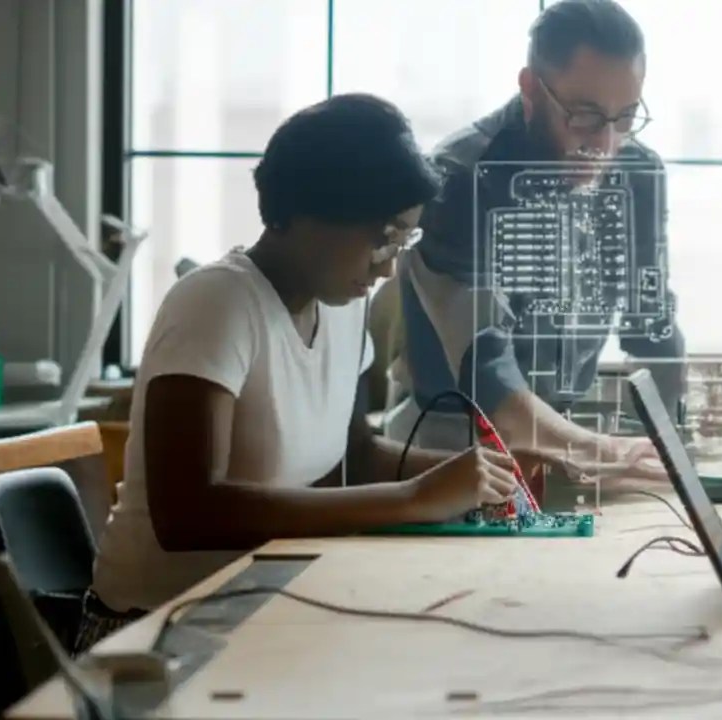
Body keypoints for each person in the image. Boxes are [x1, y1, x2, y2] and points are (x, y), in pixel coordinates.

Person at [82, 94, 520, 648]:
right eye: (383, 237)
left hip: (258, 603)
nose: (389, 266)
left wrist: (481, 473)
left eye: (403, 240)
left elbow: (355, 454)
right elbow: (186, 514)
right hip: (154, 634)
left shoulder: (339, 308)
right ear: (311, 211)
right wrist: (415, 497)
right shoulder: (217, 302)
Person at [395, 0, 681, 479]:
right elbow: (487, 374)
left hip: (570, 448)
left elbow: (651, 329)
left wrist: (675, 445)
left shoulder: (638, 173)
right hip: (453, 455)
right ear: (530, 89)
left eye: (626, 118)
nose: (606, 146)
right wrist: (606, 450)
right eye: (586, 117)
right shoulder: (461, 180)